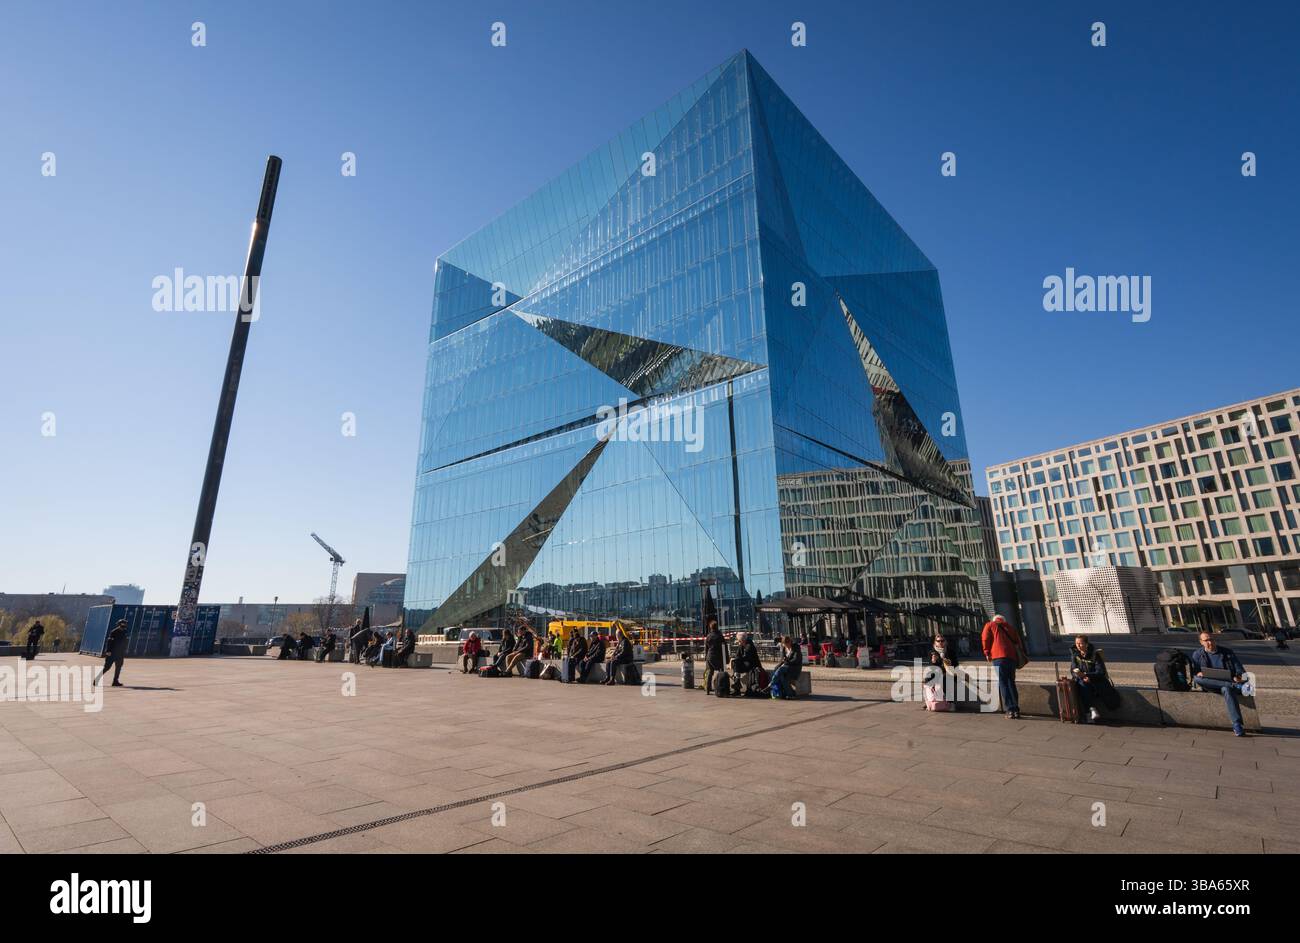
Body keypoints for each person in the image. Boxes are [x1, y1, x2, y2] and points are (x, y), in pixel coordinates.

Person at [1190, 631, 1250, 737]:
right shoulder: (1197, 654)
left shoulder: (1227, 652)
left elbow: (1242, 673)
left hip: (1226, 686)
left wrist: (1238, 678)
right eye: (1206, 640)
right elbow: (1194, 673)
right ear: (1201, 642)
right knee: (1196, 679)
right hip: (1210, 685)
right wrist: (1199, 673)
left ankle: (1237, 725)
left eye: (1211, 639)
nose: (1210, 642)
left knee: (1226, 689)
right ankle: (1231, 685)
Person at [981, 614, 1024, 719]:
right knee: (1011, 682)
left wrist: (987, 653)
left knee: (1003, 682)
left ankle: (1010, 710)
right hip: (1012, 657)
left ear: (994, 620)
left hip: (998, 657)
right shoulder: (1010, 627)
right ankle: (1016, 709)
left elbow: (985, 639)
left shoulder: (990, 625)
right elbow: (1019, 643)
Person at [1069, 634, 1119, 723]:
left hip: (1096, 680)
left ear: (1087, 644)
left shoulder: (1095, 655)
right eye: (1077, 644)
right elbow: (1073, 670)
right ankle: (1091, 710)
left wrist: (1088, 676)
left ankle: (1090, 712)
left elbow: (1101, 672)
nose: (1078, 646)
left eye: (1080, 643)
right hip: (1082, 680)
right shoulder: (1075, 656)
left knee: (1084, 686)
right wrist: (1079, 675)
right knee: (1082, 684)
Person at [94, 618, 129, 687]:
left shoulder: (125, 632)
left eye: (124, 625)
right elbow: (109, 642)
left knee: (118, 667)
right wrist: (108, 651)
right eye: (122, 625)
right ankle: (97, 679)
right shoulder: (114, 632)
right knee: (107, 667)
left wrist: (125, 649)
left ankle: (115, 681)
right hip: (112, 653)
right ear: (119, 625)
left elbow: (125, 642)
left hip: (120, 653)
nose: (123, 626)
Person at [730, 631, 763, 696]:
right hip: (746, 664)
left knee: (736, 663)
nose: (739, 642)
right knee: (735, 663)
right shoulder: (741, 645)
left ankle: (737, 687)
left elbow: (747, 657)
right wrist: (735, 660)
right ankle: (737, 685)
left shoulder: (749, 645)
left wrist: (737, 660)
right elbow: (738, 656)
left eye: (739, 641)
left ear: (742, 640)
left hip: (753, 664)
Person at [703, 619, 726, 695]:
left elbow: (706, 648)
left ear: (711, 628)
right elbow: (724, 646)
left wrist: (706, 657)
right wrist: (727, 657)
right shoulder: (719, 635)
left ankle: (708, 689)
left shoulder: (708, 636)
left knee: (710, 672)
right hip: (718, 656)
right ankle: (721, 686)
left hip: (710, 656)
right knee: (721, 671)